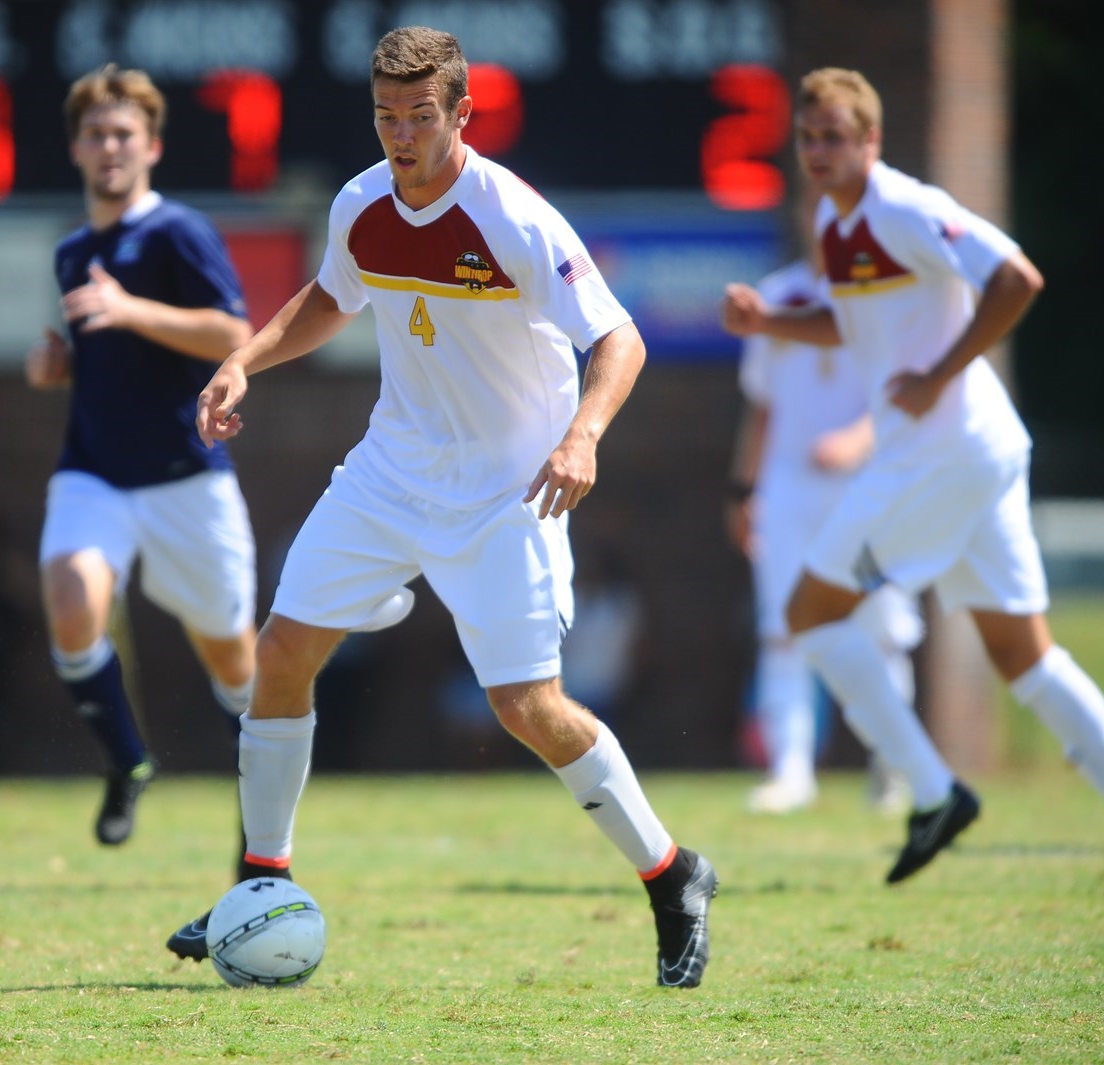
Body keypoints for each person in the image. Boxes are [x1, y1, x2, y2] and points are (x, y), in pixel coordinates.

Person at [167, 26, 717, 989]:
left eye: (421, 116)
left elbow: (617, 338)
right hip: (391, 473)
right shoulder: (360, 203)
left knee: (526, 708)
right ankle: (259, 880)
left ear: (462, 112)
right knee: (282, 653)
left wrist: (582, 434)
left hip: (509, 495)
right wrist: (241, 360)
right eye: (386, 116)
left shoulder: (511, 215)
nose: (401, 135)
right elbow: (331, 298)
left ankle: (674, 876)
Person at [720, 67, 1104, 889]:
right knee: (1022, 656)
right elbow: (848, 323)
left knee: (808, 612)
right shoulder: (834, 220)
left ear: (872, 141)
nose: (817, 151)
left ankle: (932, 793)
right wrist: (770, 322)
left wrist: (939, 372)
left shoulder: (904, 206)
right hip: (973, 454)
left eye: (834, 136)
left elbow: (1016, 278)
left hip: (941, 453)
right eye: (807, 136)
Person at [27, 64, 410, 847]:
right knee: (70, 601)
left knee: (241, 669)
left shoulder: (177, 232)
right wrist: (57, 365)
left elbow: (229, 332)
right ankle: (128, 760)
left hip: (185, 483)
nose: (109, 147)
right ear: (75, 148)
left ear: (152, 146)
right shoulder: (73, 251)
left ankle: (258, 841)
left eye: (123, 134)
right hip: (93, 470)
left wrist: (128, 309)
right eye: (95, 134)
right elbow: (105, 354)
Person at [726, 222, 922, 815]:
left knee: (880, 627)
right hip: (788, 490)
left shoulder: (884, 297)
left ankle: (892, 761)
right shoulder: (776, 295)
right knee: (783, 627)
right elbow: (761, 405)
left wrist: (856, 441)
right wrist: (744, 489)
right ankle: (790, 769)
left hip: (865, 490)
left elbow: (902, 396)